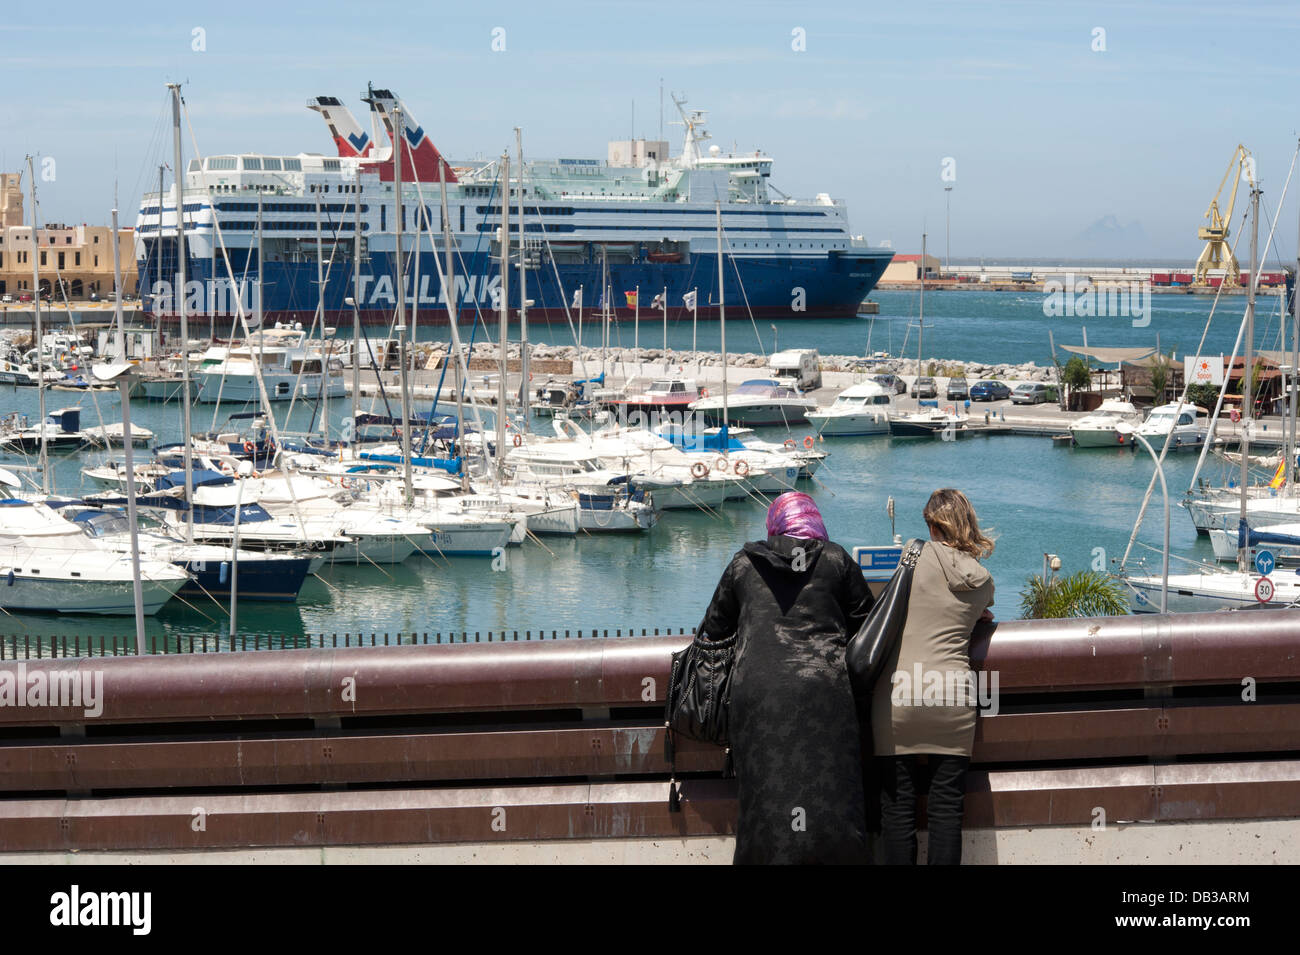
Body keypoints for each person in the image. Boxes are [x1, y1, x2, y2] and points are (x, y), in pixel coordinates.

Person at [697, 490, 875, 864]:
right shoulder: (836, 560)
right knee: (832, 796)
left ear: (775, 524)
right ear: (813, 521)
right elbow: (867, 629)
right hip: (825, 693)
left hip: (760, 693)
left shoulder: (744, 565)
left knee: (765, 797)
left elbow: (712, 631)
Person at [872, 488, 995, 865]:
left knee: (897, 810)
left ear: (930, 523)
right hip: (953, 697)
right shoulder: (983, 580)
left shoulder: (911, 555)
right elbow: (972, 611)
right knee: (946, 812)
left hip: (899, 697)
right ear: (967, 524)